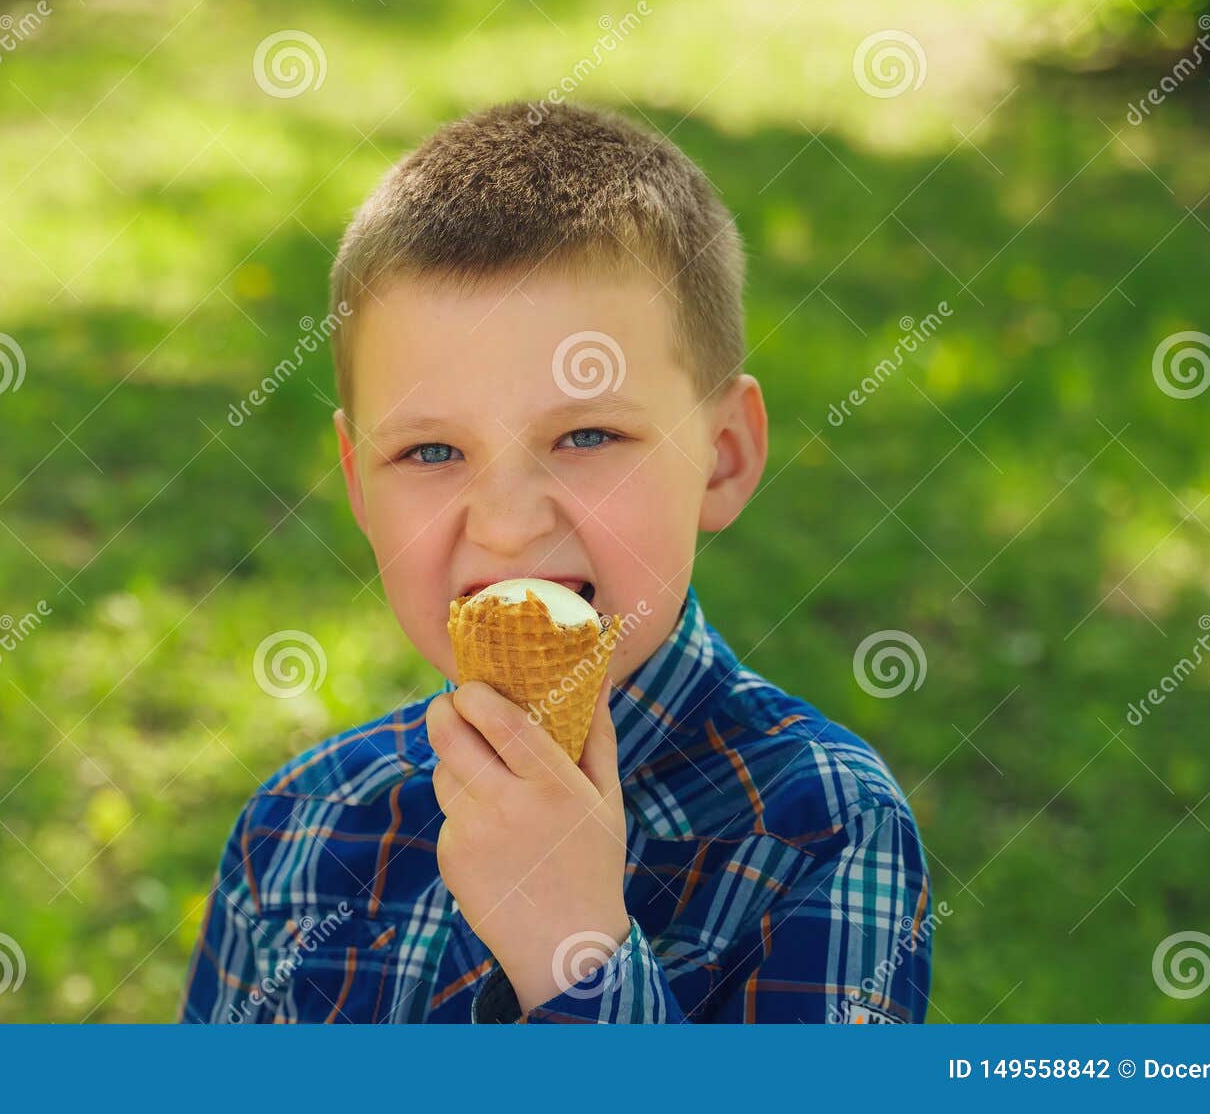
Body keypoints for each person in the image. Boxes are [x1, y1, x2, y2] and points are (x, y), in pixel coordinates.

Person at [181, 101, 933, 1024]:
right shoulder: (296, 830)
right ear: (358, 486)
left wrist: (572, 947)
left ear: (725, 456)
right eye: (428, 453)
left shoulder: (821, 828)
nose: (504, 525)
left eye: (586, 434)